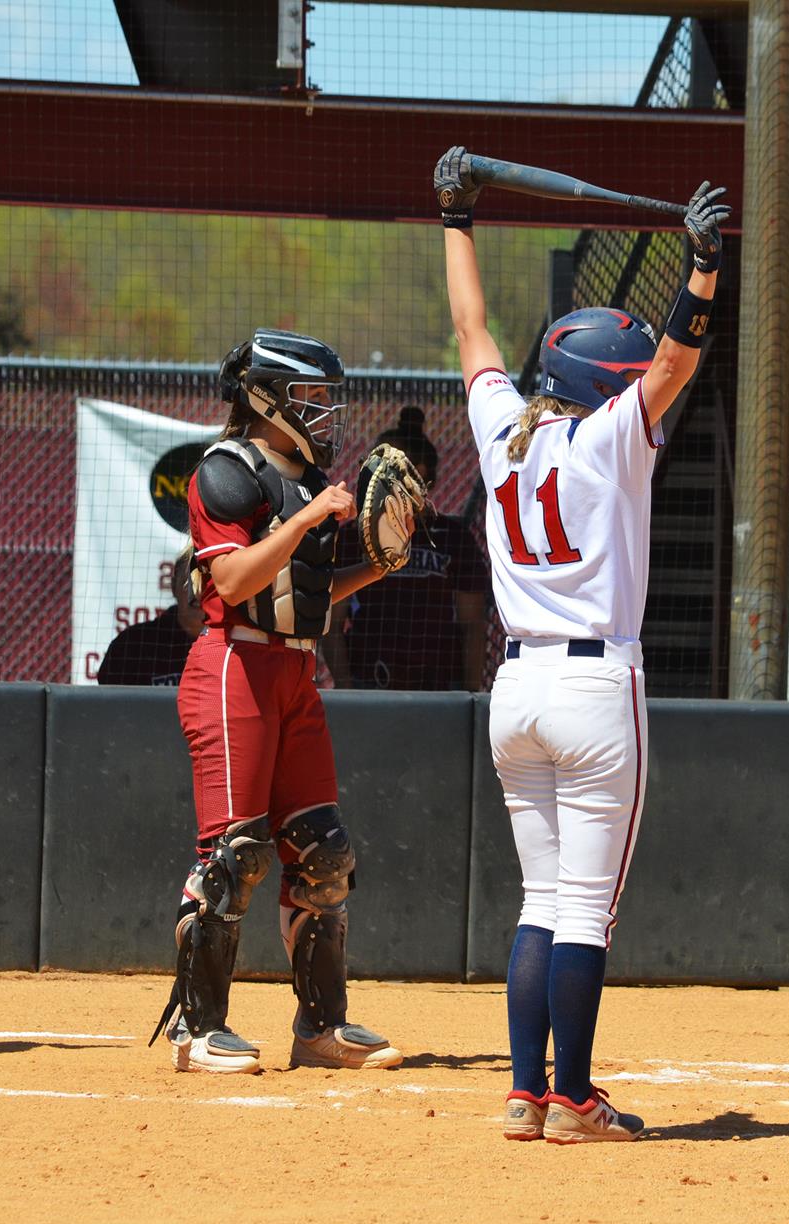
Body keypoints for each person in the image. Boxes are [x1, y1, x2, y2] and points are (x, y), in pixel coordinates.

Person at [436, 146, 728, 1142]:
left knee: (541, 898)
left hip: (515, 689)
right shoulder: (610, 438)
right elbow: (677, 361)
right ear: (606, 382)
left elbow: (471, 328)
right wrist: (702, 266)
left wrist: (455, 219)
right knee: (584, 911)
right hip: (596, 685)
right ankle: (572, 1098)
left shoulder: (501, 428)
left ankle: (526, 1093)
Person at [154, 327, 407, 1075]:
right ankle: (197, 1030)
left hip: (295, 670)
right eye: (311, 396)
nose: (325, 410)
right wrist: (304, 519)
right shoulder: (227, 470)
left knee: (323, 853)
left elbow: (309, 595)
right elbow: (232, 583)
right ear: (266, 399)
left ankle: (321, 1028)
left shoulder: (308, 479)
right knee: (235, 854)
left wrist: (380, 564)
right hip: (234, 665)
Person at [326, 406, 492, 692]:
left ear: (420, 472)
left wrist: (470, 692)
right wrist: (346, 686)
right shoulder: (354, 535)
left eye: (392, 468)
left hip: (439, 685)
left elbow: (472, 624)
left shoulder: (453, 538)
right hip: (370, 679)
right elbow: (332, 622)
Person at [96, 546, 204, 686]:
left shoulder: (230, 643)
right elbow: (110, 696)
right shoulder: (133, 646)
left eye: (204, 583)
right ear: (173, 587)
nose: (196, 592)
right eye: (188, 583)